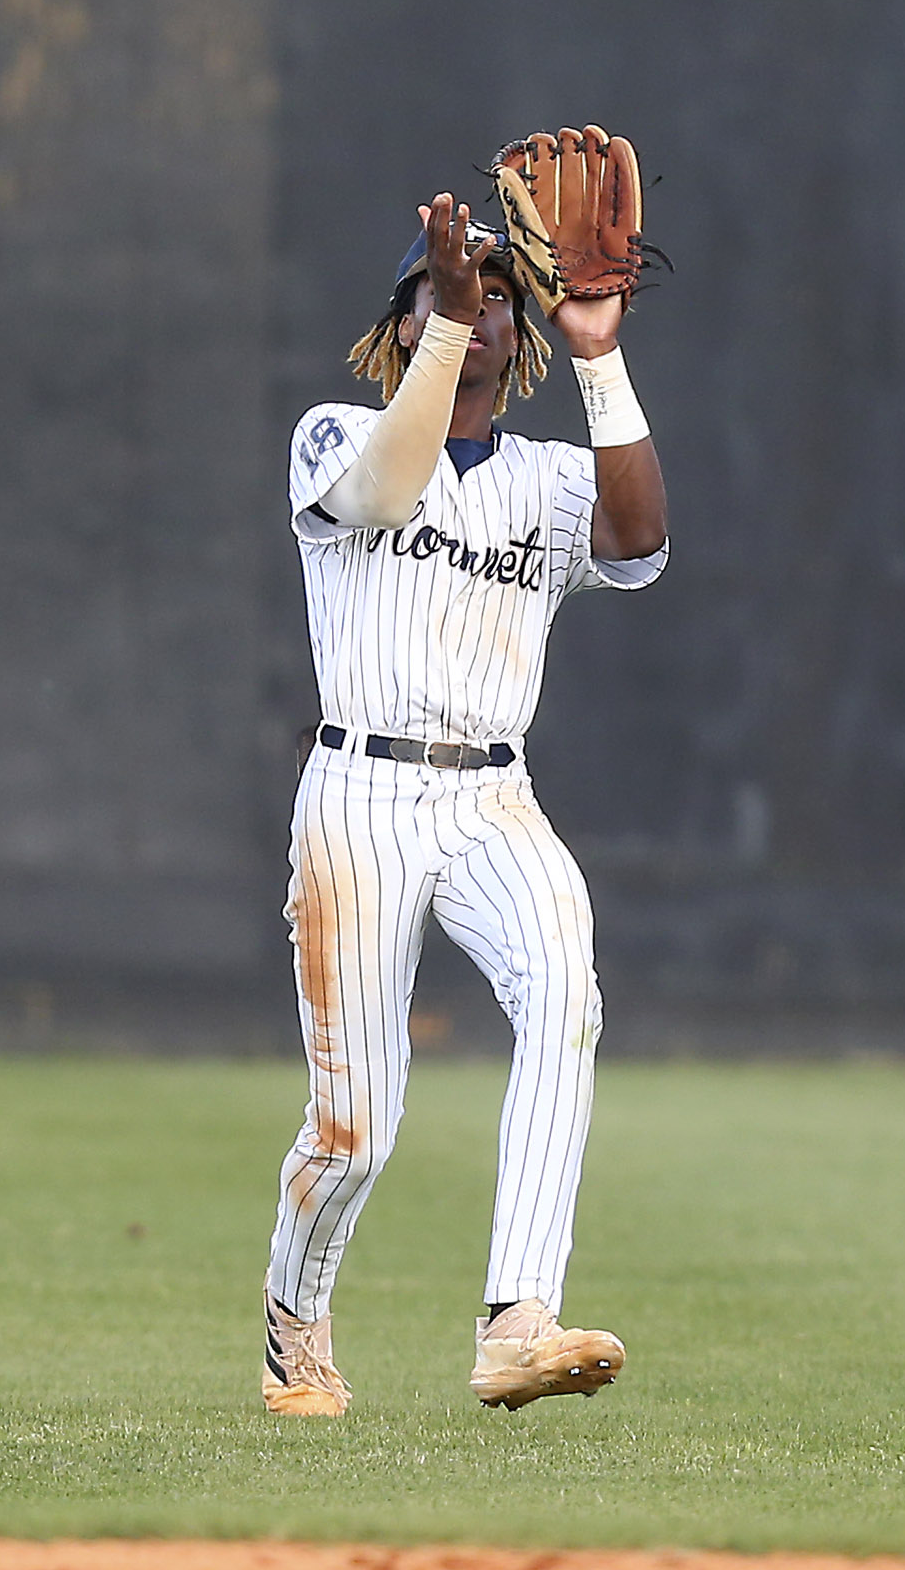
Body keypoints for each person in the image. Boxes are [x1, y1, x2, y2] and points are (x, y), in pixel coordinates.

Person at [263, 141, 666, 1416]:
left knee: (564, 987)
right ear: (403, 321)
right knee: (357, 1128)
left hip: (494, 792)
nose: (480, 304)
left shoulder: (549, 478)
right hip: (362, 797)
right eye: (450, 287)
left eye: (498, 292)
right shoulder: (334, 433)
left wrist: (597, 352)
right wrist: (440, 329)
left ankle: (516, 1317)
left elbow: (640, 538)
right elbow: (387, 487)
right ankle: (297, 1312)